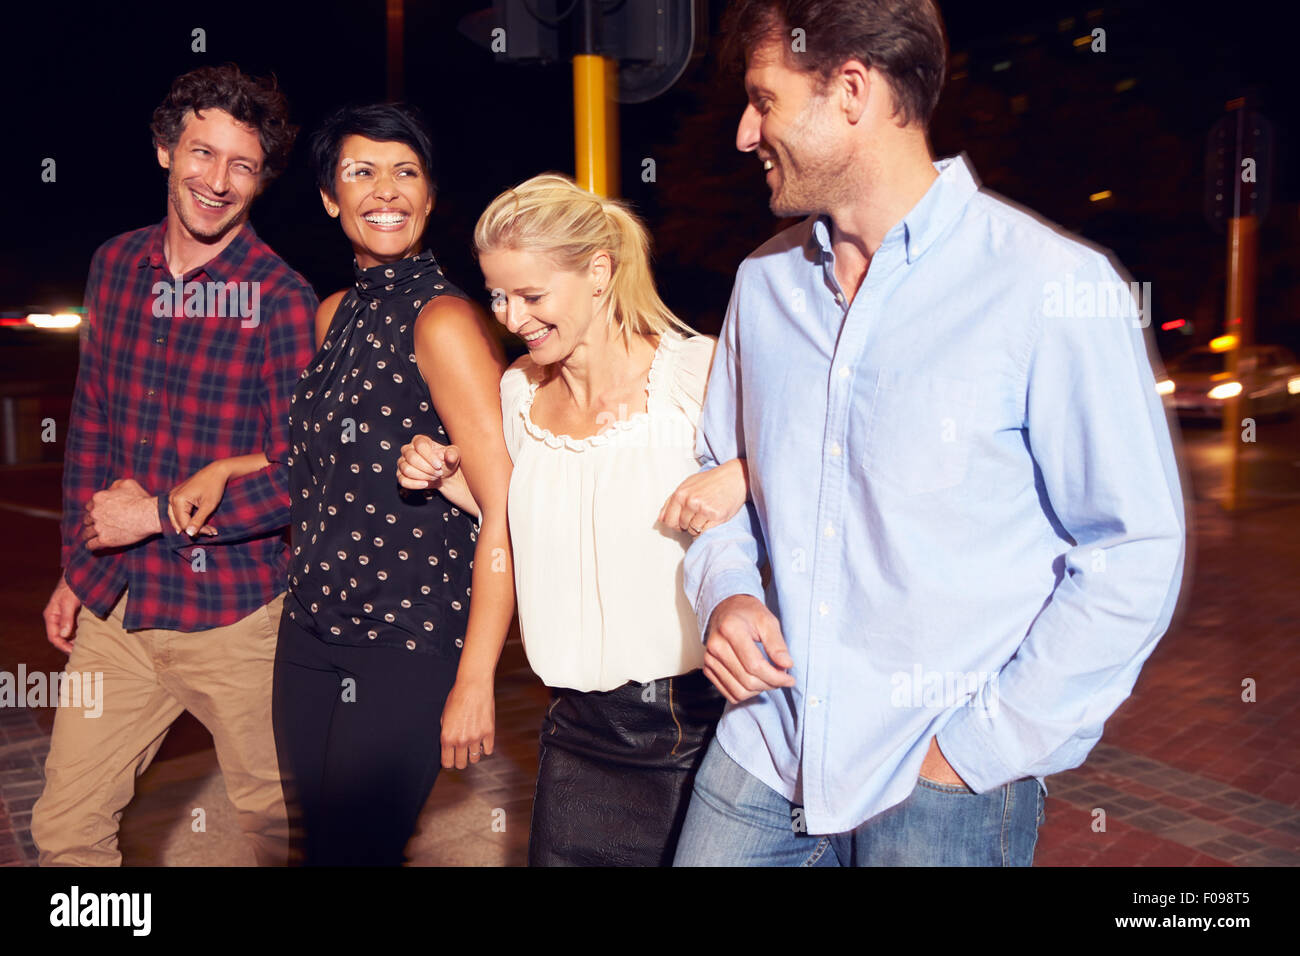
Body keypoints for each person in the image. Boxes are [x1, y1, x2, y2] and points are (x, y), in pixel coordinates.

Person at [673, 0, 1186, 866]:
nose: (743, 132)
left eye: (763, 99)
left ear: (851, 90)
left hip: (939, 779)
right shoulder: (762, 284)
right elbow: (723, 469)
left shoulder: (1052, 287)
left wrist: (978, 750)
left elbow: (1134, 548)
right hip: (767, 745)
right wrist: (728, 588)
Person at [398, 173, 749, 865]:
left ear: (597, 273)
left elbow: (810, 478)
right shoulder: (519, 392)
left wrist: (743, 474)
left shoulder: (695, 372)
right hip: (574, 727)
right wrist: (447, 479)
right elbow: (527, 511)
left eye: (531, 294)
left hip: (699, 724)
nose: (511, 316)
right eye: (498, 295)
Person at [33, 64, 316, 866]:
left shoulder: (280, 299)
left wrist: (154, 515)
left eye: (243, 165)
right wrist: (79, 563)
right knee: (64, 831)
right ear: (165, 150)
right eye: (202, 153)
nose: (217, 181)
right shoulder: (115, 266)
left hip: (235, 620)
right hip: (119, 614)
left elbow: (301, 476)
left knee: (280, 836)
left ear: (262, 181)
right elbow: (91, 426)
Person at [259, 103, 513, 866]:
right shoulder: (332, 313)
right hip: (307, 635)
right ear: (332, 198)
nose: (386, 189)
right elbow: (322, 467)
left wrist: (475, 678)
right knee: (321, 850)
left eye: (406, 172)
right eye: (360, 172)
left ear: (430, 198)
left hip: (404, 641)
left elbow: (506, 506)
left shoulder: (444, 322)